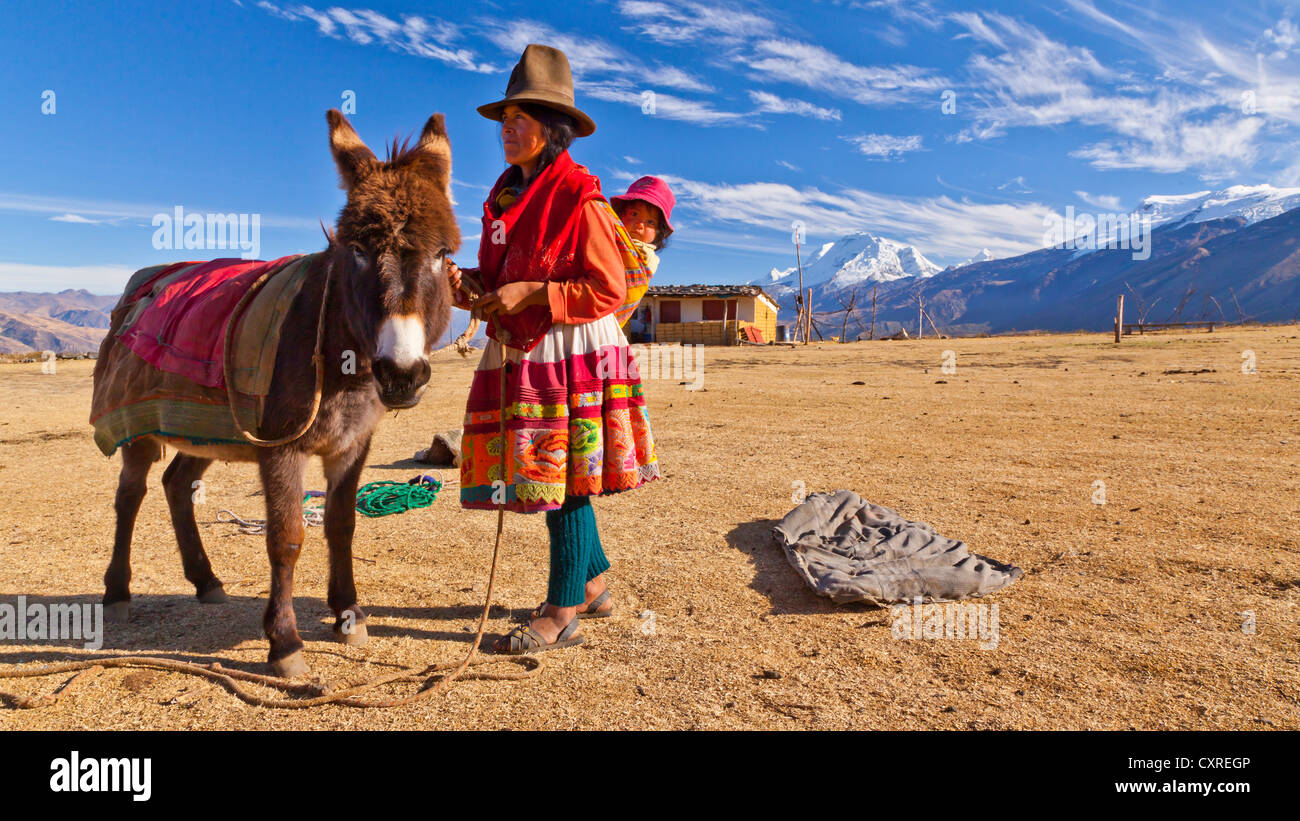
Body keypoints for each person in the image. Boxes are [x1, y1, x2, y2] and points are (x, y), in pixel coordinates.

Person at [446, 44, 660, 654]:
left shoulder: (579, 196)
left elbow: (607, 288)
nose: (508, 129)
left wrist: (531, 292)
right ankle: (592, 586)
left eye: (522, 117)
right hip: (524, 346)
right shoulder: (506, 196)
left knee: (560, 478)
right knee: (553, 473)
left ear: (553, 128)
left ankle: (562, 607)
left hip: (571, 347)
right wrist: (475, 289)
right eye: (505, 118)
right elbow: (502, 277)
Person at [611, 176, 674, 343]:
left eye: (650, 222)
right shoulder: (608, 236)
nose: (640, 224)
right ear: (620, 215)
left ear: (658, 234)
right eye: (634, 214)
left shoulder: (647, 255)